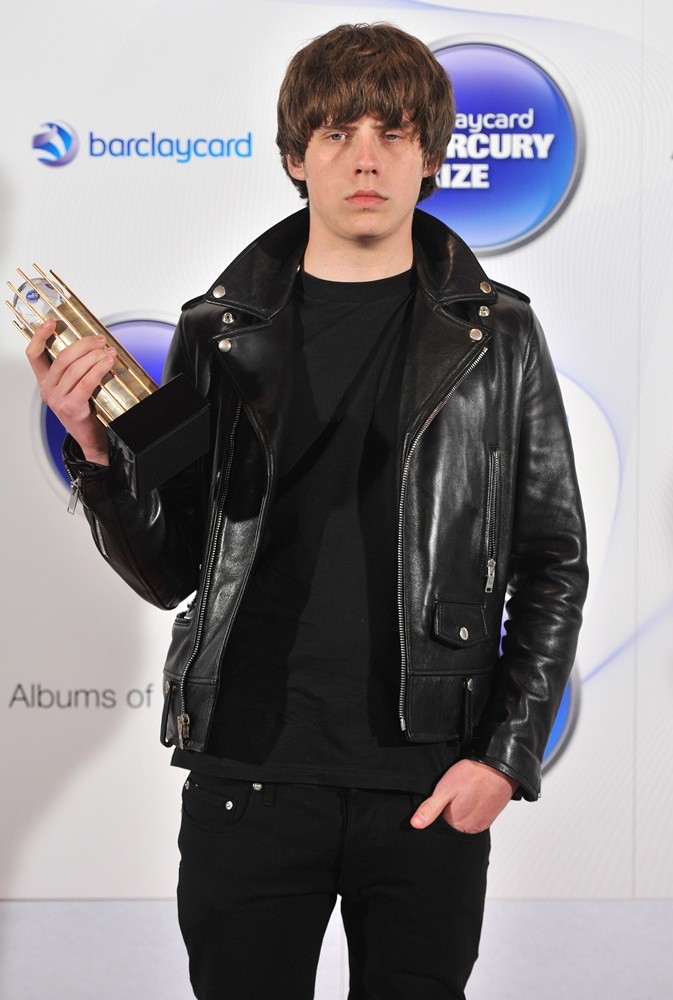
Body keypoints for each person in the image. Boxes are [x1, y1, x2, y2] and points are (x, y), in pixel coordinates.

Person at [26, 23, 588, 1000]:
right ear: (296, 156)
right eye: (336, 131)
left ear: (430, 156)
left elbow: (552, 558)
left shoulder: (500, 336)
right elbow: (173, 571)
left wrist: (505, 758)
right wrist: (91, 448)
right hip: (247, 773)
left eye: (392, 131)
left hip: (426, 779)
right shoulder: (219, 330)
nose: (364, 155)